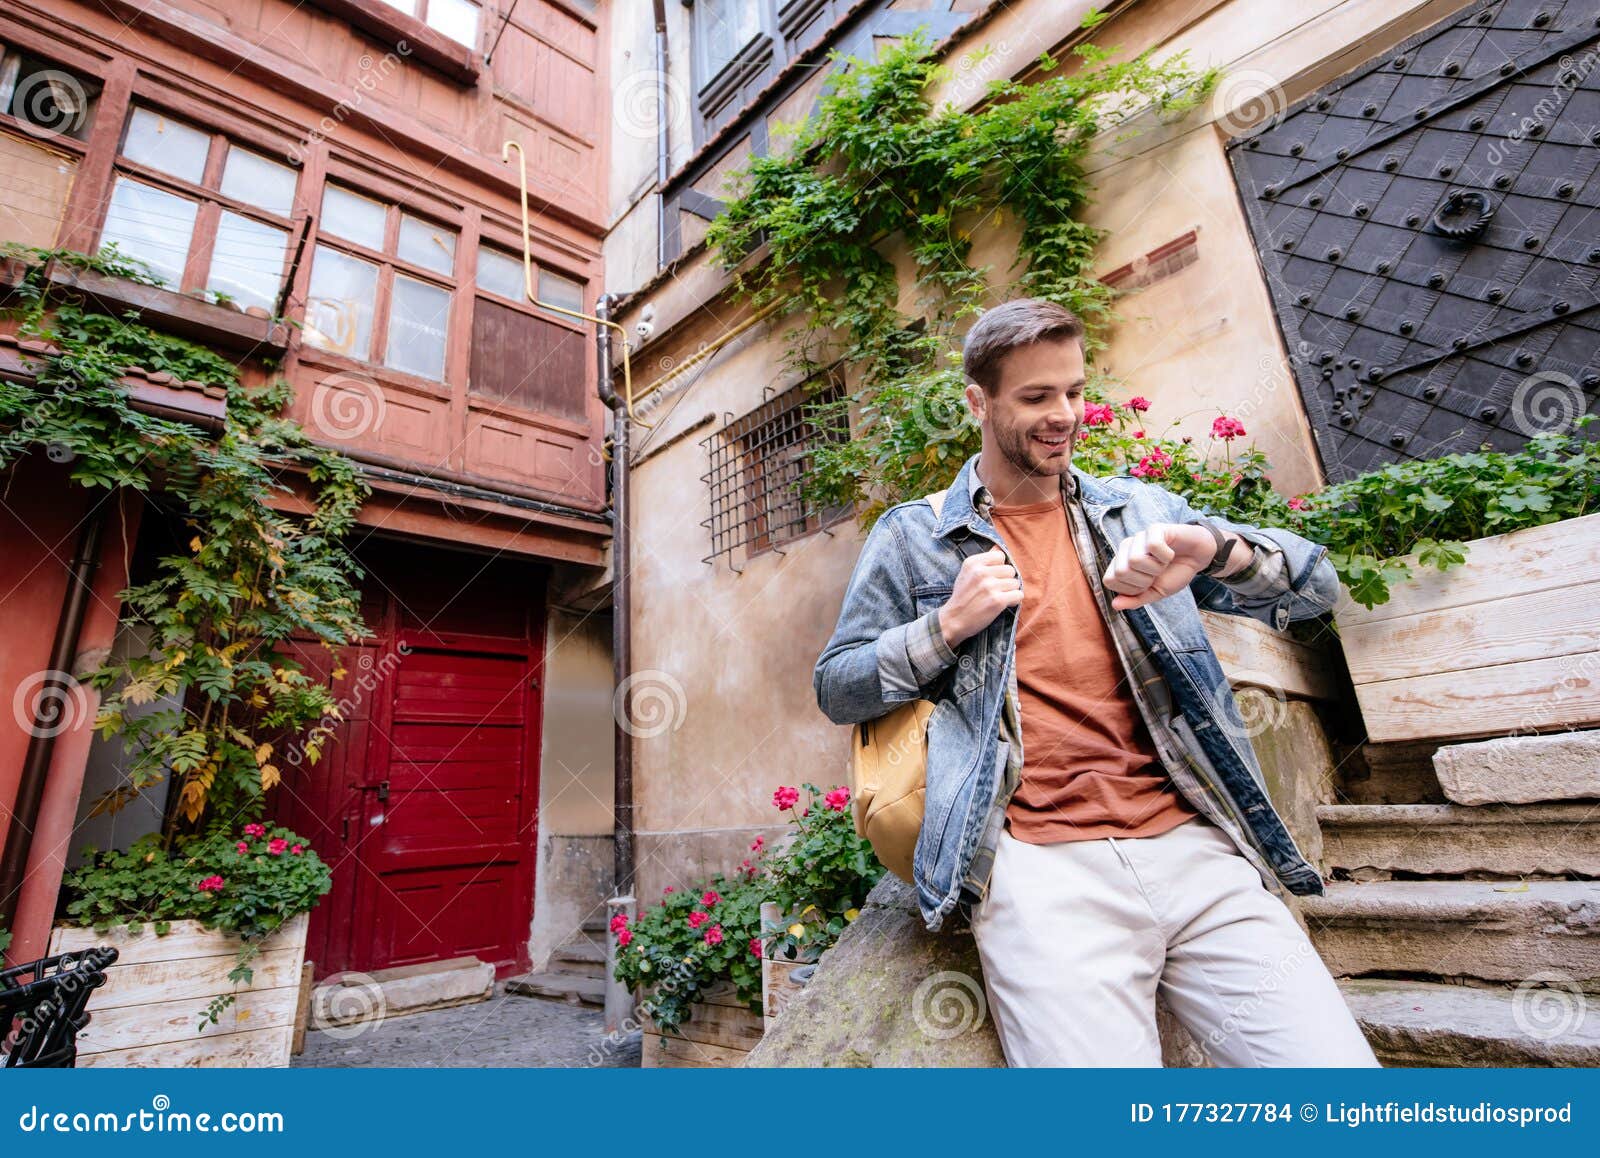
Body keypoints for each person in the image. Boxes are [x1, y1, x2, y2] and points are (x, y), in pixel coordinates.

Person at [812, 298, 1380, 1068]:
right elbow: (838, 686)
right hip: (1040, 877)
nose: (1065, 415)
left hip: (1199, 850)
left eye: (1075, 391)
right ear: (977, 402)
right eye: (1036, 396)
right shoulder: (916, 537)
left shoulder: (1139, 512)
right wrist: (943, 627)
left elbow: (1315, 589)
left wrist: (1217, 549)